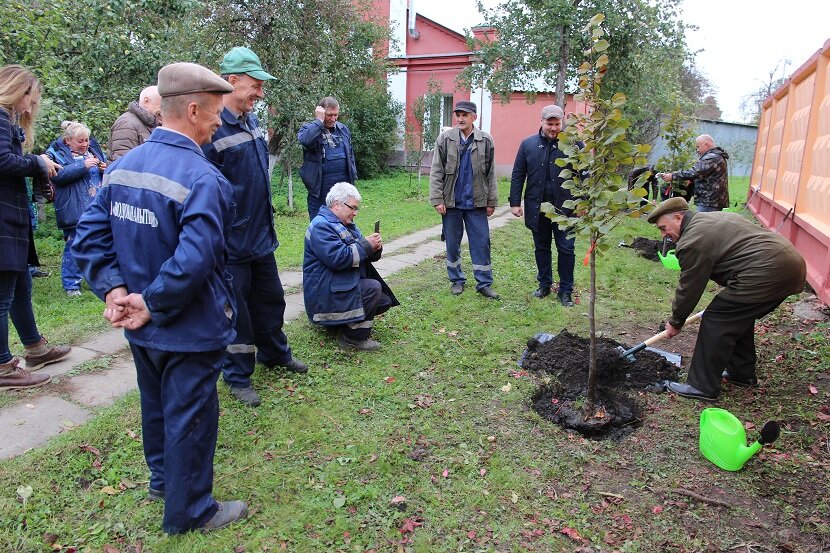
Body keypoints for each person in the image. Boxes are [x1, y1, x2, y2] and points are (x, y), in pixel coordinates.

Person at [71, 62, 248, 534]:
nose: (217, 122)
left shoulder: (123, 167)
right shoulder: (203, 178)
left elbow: (89, 239)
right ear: (192, 110)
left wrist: (117, 291)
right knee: (191, 414)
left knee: (155, 403)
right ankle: (191, 511)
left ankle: (163, 480)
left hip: (142, 328)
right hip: (187, 326)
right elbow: (195, 259)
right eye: (213, 113)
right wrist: (148, 301)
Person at [203, 46, 308, 408]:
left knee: (270, 301)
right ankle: (237, 375)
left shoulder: (249, 121)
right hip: (232, 243)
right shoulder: (212, 128)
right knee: (238, 315)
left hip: (261, 236)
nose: (260, 93)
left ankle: (275, 353)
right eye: (255, 85)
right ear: (232, 81)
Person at [647, 197, 806, 402]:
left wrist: (676, 321)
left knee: (717, 319)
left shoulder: (692, 240)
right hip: (789, 265)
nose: (663, 235)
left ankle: (701, 386)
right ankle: (742, 373)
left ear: (678, 217)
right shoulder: (712, 218)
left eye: (663, 227)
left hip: (767, 271)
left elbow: (689, 287)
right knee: (737, 317)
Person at [0, 64, 71, 391]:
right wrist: (38, 162)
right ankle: (3, 366)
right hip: (3, 219)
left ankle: (35, 348)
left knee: (21, 284)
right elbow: (3, 162)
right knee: (2, 296)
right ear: (18, 90)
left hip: (12, 219)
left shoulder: (8, 122)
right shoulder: (0, 118)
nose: (32, 106)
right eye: (32, 98)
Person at [303, 182, 398, 350]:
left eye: (356, 208)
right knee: (373, 289)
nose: (355, 213)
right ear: (337, 204)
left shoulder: (345, 224)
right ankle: (352, 337)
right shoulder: (320, 226)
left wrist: (375, 248)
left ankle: (341, 324)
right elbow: (339, 258)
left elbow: (361, 254)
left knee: (383, 300)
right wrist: (367, 245)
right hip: (323, 295)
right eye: (353, 208)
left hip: (337, 286)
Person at [509, 104, 580, 306]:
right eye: (550, 124)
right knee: (541, 248)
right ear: (541, 122)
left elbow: (585, 175)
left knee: (566, 249)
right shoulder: (528, 144)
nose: (554, 128)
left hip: (566, 209)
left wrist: (583, 202)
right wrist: (515, 202)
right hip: (537, 208)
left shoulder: (574, 145)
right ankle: (544, 285)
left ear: (562, 122)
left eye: (557, 124)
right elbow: (518, 174)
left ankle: (565, 290)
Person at [429, 100, 499, 299]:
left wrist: (491, 201)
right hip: (451, 203)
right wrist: (437, 199)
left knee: (482, 242)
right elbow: (436, 171)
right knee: (452, 243)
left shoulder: (485, 140)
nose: (460, 119)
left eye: (464, 115)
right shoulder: (445, 139)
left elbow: (491, 173)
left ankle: (484, 283)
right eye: (457, 115)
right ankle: (456, 280)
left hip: (477, 202)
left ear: (474, 117)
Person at [46, 121, 107, 296]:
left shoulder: (93, 151)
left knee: (97, 245)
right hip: (73, 208)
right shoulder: (57, 155)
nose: (85, 144)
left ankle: (95, 279)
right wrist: (83, 166)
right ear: (68, 141)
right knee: (74, 245)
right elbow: (57, 176)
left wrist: (104, 169)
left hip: (96, 207)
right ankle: (71, 284)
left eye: (86, 140)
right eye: (80, 141)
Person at [297, 96, 358, 219]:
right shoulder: (309, 129)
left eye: (336, 115)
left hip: (343, 194)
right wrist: (319, 122)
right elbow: (306, 141)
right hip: (319, 194)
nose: (333, 119)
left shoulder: (343, 129)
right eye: (329, 115)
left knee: (345, 226)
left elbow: (350, 156)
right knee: (320, 228)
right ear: (321, 112)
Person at [657, 134, 729, 212]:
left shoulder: (712, 157)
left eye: (698, 147)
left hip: (709, 201)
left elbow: (694, 172)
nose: (697, 150)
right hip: (711, 200)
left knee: (702, 223)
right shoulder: (716, 156)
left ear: (706, 145)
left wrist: (673, 176)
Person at [108, 85, 162, 160]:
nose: (165, 109)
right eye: (162, 105)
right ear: (146, 101)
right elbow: (123, 164)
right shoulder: (126, 124)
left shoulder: (152, 125)